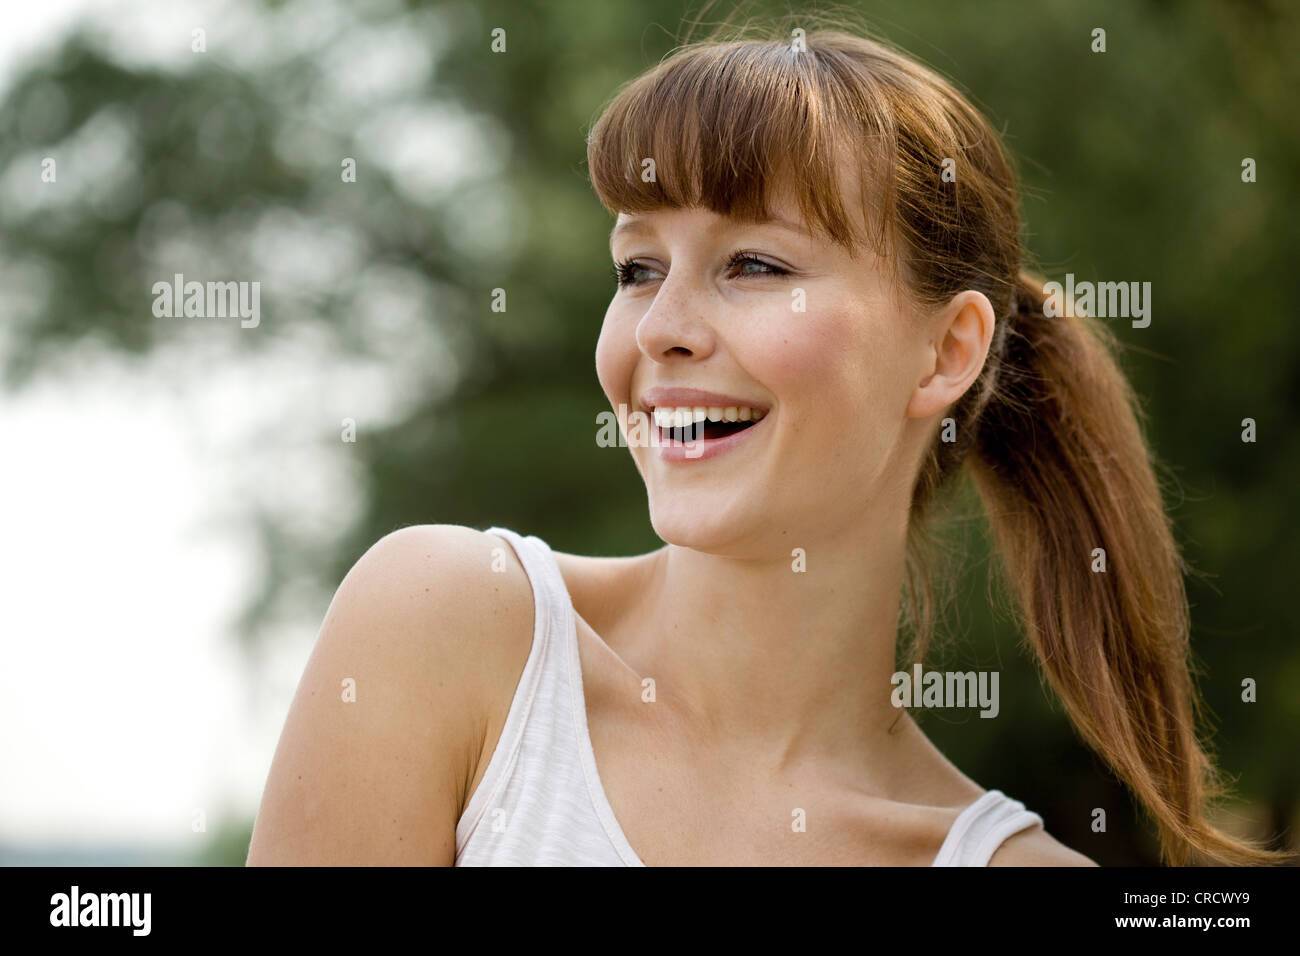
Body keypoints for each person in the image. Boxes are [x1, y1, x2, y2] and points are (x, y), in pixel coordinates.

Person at [246, 19, 1292, 867]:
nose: (660, 328)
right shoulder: (447, 628)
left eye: (753, 264)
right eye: (638, 267)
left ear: (945, 352)